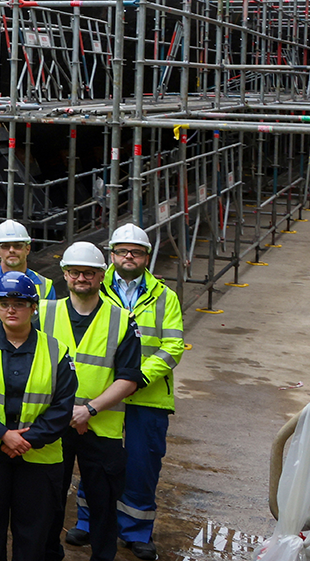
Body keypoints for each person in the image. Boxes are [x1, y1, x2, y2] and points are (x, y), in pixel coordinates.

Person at [0, 271, 76, 561]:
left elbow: (63, 405)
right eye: (4, 303)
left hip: (37, 457)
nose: (11, 309)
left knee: (33, 533)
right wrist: (2, 434)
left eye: (20, 303)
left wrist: (28, 440)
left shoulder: (56, 351)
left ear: (34, 307)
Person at [42, 241, 142, 561]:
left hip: (101, 428)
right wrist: (66, 413)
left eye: (88, 272)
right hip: (54, 426)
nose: (81, 278)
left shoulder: (122, 320)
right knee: (49, 500)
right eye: (74, 272)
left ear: (101, 275)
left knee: (103, 505)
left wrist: (89, 410)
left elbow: (129, 379)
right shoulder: (44, 313)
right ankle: (48, 553)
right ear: (65, 275)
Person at [102, 224, 183, 561]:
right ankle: (93, 522)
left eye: (135, 251)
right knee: (99, 463)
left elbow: (173, 346)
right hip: (103, 396)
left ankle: (136, 531)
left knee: (142, 464)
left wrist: (136, 378)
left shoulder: (166, 296)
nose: (129, 256)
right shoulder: (95, 287)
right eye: (122, 251)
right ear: (112, 254)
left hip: (148, 397)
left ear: (147, 256)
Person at [0, 220, 54, 299]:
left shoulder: (45, 287)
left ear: (27, 249)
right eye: (5, 246)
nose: (11, 250)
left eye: (17, 246)